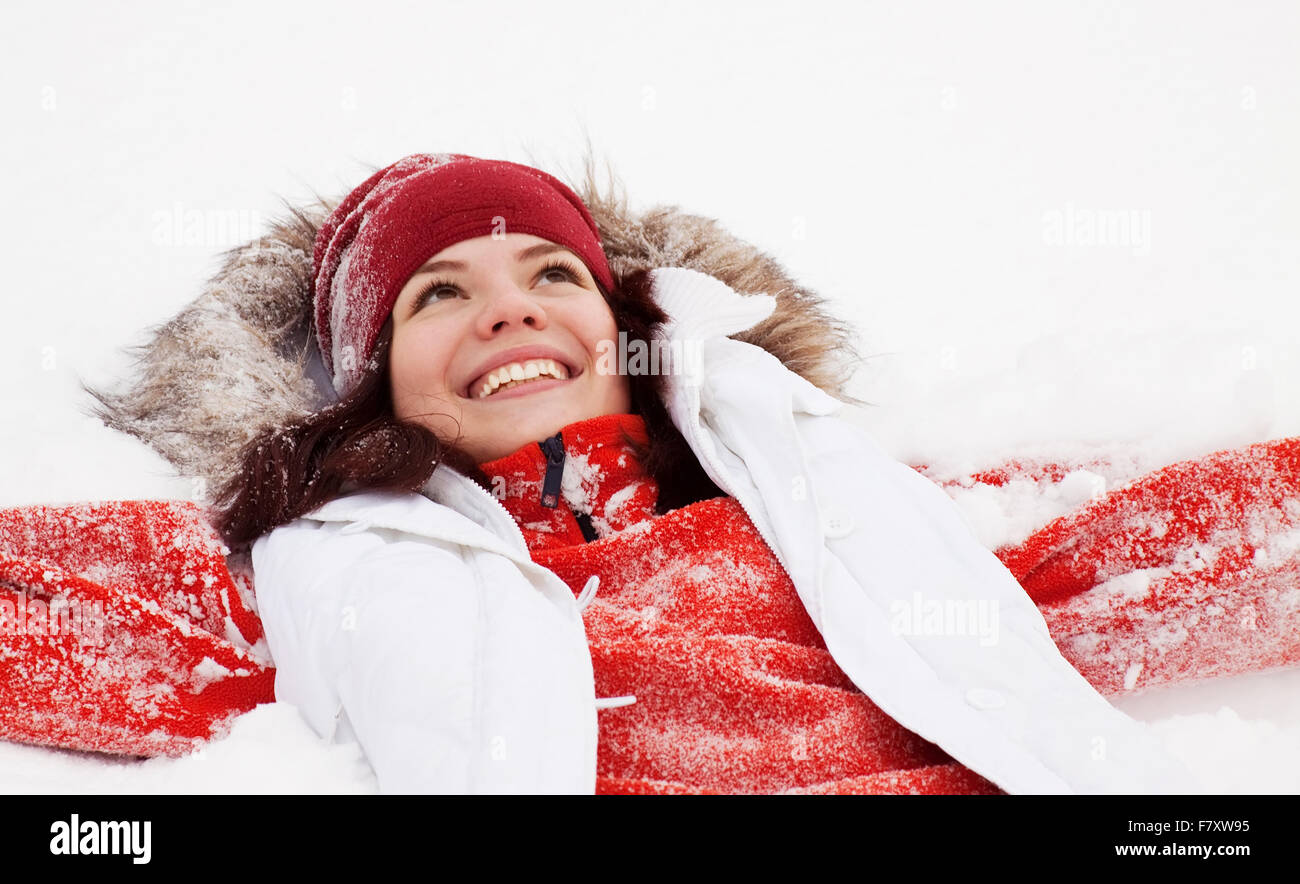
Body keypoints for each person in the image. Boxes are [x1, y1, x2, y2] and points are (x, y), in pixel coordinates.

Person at [225, 152, 1201, 794]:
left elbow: (1144, 542)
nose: (511, 311)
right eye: (439, 290)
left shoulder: (818, 510)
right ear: (374, 383)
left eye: (554, 272)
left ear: (628, 332)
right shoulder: (326, 576)